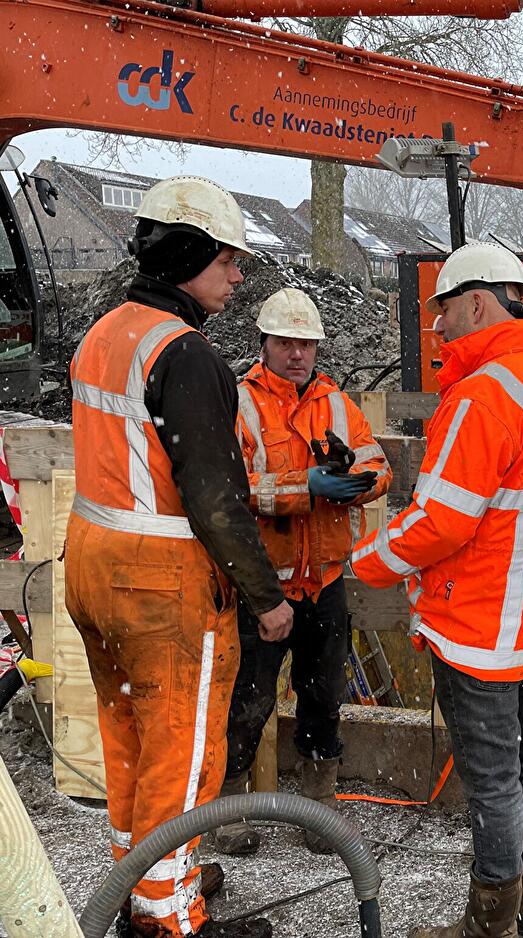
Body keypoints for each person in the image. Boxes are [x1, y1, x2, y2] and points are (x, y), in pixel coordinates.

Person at [64, 176, 291, 938]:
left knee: (127, 731)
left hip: (92, 564)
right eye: (228, 261)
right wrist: (267, 598)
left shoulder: (105, 334)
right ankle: (169, 918)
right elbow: (217, 502)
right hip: (159, 582)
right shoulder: (187, 355)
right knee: (186, 752)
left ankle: (145, 876)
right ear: (189, 253)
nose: (237, 277)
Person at [351, 243, 523, 938]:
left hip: (481, 626)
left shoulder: (484, 396)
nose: (438, 327)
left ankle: (490, 923)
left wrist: (363, 561)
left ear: (478, 302)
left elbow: (438, 523)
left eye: (445, 309)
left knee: (492, 778)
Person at [210, 288, 391, 856]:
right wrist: (301, 489)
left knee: (322, 698)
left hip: (325, 583)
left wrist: (360, 483)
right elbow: (230, 493)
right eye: (285, 342)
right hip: (262, 587)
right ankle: (228, 812)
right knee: (248, 702)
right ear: (263, 342)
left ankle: (319, 810)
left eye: (305, 343)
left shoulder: (337, 403)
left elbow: (377, 462)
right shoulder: (237, 403)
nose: (296, 353)